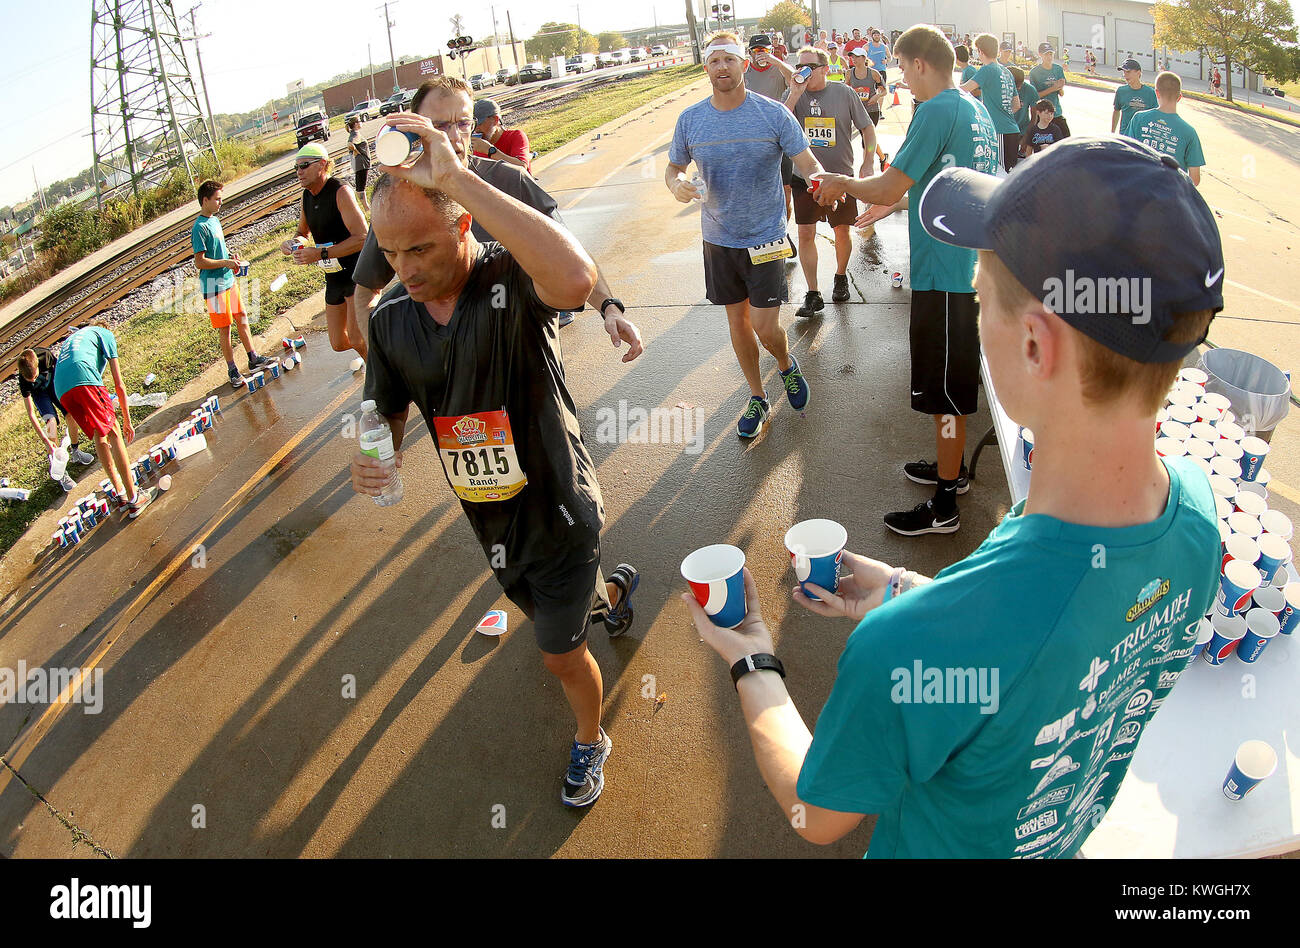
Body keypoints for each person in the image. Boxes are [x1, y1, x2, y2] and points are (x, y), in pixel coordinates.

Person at [685, 135, 1223, 859]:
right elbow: (1048, 641)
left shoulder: (903, 650)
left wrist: (751, 656)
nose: (973, 316)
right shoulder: (1197, 516)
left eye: (980, 301)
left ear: (1036, 345)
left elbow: (816, 815)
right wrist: (909, 590)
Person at [353, 121, 645, 808]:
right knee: (554, 613)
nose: (407, 270)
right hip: (491, 521)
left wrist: (454, 176)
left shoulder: (508, 275)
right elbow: (383, 411)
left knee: (558, 655)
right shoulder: (393, 318)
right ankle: (610, 598)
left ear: (463, 228)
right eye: (392, 255)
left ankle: (589, 740)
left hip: (559, 507)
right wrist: (376, 454)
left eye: (421, 248)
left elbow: (576, 277)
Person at [811, 25, 998, 535]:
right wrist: (889, 201)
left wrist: (845, 181)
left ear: (919, 63)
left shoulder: (936, 108)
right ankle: (951, 469)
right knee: (950, 386)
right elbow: (933, 181)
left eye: (901, 66)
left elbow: (895, 178)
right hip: (968, 267)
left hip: (946, 273)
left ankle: (943, 506)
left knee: (945, 393)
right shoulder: (975, 110)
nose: (902, 80)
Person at [352, 76, 642, 341]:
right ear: (416, 129)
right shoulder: (400, 198)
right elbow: (366, 289)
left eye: (463, 124)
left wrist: (608, 307)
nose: (453, 137)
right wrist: (383, 362)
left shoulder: (509, 180)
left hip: (523, 350)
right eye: (439, 126)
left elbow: (570, 251)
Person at [667, 32, 821, 438]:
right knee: (737, 322)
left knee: (766, 328)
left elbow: (807, 162)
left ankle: (786, 365)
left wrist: (825, 184)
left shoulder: (772, 114)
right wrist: (676, 183)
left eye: (729, 59)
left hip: (766, 236)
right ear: (706, 68)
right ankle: (757, 396)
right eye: (714, 60)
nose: (722, 67)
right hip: (718, 239)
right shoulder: (691, 119)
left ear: (744, 65)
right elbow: (673, 168)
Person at [785, 45, 876, 315]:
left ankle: (840, 276)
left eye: (810, 67)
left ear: (825, 69)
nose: (804, 72)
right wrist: (794, 95)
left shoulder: (844, 93)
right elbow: (778, 124)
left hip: (840, 176)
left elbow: (867, 128)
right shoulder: (793, 94)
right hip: (804, 177)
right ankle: (813, 293)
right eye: (800, 66)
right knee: (805, 232)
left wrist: (868, 161)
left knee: (841, 231)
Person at [52, 325, 156, 518]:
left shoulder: (80, 339)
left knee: (99, 433)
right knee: (114, 430)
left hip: (61, 390)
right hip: (81, 377)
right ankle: (134, 498)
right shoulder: (106, 335)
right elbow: (119, 384)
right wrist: (127, 419)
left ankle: (121, 494)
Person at [280, 144, 369, 358]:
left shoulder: (340, 191)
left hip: (355, 273)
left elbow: (362, 237)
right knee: (339, 343)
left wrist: (320, 254)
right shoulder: (306, 196)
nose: (299, 172)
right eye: (296, 167)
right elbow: (302, 231)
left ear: (322, 165)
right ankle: (381, 348)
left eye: (304, 166)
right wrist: (293, 243)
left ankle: (380, 384)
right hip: (333, 277)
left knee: (358, 339)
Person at [191, 181, 277, 390]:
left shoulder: (215, 221)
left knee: (242, 318)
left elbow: (217, 251)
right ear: (205, 200)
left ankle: (253, 357)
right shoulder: (199, 227)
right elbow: (200, 261)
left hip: (228, 280)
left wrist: (231, 258)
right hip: (213, 285)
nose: (221, 202)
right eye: (217, 199)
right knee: (225, 328)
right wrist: (225, 263)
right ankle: (232, 369)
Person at [18, 346, 94, 491]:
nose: (33, 380)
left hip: (54, 384)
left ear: (37, 365)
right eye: (30, 379)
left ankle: (75, 451)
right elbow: (30, 413)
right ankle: (61, 472)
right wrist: (46, 440)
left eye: (35, 376)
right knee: (50, 424)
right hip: (40, 396)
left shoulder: (45, 355)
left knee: (70, 414)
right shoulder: (23, 381)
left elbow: (61, 371)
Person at [745, 34, 798, 225]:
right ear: (750, 53)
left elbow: (796, 80)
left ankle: (783, 231)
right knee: (757, 190)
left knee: (786, 190)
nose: (760, 55)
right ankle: (761, 230)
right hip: (753, 139)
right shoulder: (745, 72)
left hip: (779, 135)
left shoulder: (779, 69)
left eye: (764, 51)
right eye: (756, 51)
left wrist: (776, 62)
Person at [1126, 71, 1206, 187]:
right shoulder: (1189, 132)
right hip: (1170, 196)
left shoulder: (1139, 118)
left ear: (1157, 93)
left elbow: (1127, 154)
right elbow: (1195, 179)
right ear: (1179, 97)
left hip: (1139, 188)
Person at [963, 33, 1022, 171]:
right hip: (1012, 129)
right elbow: (1016, 104)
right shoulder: (1006, 72)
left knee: (1000, 173)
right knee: (1009, 174)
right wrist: (1003, 110)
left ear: (980, 51)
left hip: (999, 130)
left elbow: (964, 89)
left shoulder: (987, 69)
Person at [845, 47, 890, 169]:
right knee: (869, 137)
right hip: (857, 110)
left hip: (872, 110)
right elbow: (846, 90)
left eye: (857, 57)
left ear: (864, 58)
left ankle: (865, 168)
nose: (854, 59)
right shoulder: (849, 73)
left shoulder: (874, 73)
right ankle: (882, 157)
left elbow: (885, 91)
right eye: (852, 57)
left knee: (866, 138)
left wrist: (876, 96)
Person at [471, 98, 531, 174]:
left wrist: (490, 151)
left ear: (495, 120)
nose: (476, 129)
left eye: (480, 124)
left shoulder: (516, 136)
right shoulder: (478, 146)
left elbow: (522, 167)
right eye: (473, 125)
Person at [1030, 43, 1070, 136]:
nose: (1049, 57)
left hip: (1056, 112)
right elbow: (1035, 96)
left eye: (1051, 54)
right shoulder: (1034, 72)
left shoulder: (1058, 69)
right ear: (1040, 54)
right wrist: (1053, 88)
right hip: (1042, 114)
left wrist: (1060, 87)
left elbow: (1061, 93)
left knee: (1066, 141)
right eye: (1046, 54)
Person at [1112, 59, 1158, 135]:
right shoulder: (1121, 91)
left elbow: (1155, 116)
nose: (1125, 75)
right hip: (1125, 135)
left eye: (1128, 72)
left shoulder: (1150, 92)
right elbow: (1116, 111)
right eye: (1124, 72)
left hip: (1142, 135)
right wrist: (1112, 132)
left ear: (1138, 73)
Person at [346, 115, 372, 213]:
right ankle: (366, 208)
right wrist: (356, 151)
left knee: (361, 186)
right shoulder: (355, 134)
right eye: (360, 121)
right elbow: (350, 144)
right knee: (361, 187)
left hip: (360, 164)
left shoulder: (355, 133)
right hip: (361, 164)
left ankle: (366, 207)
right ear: (356, 124)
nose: (361, 122)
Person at [1009, 64, 1038, 140]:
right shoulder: (1000, 88)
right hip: (1005, 129)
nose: (1019, 88)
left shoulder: (1030, 90)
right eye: (1016, 86)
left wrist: (1027, 137)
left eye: (1020, 85)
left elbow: (1034, 116)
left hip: (1023, 130)